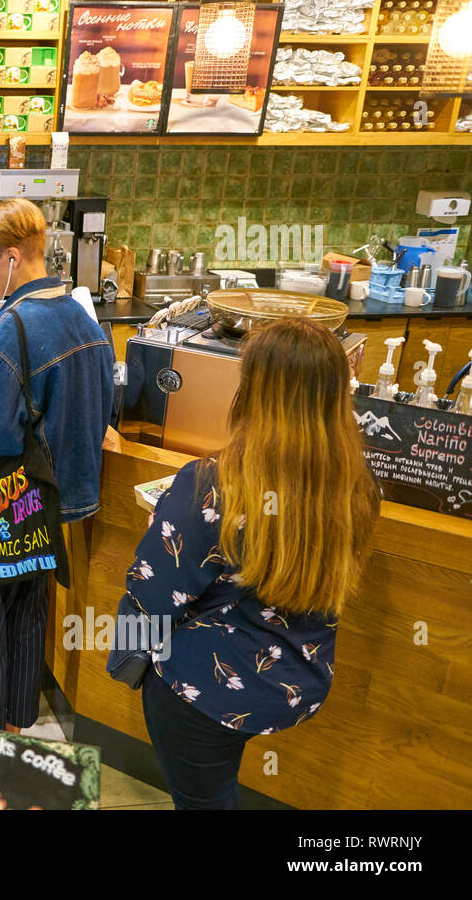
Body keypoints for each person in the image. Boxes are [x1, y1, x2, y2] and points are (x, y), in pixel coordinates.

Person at [116, 317, 380, 810]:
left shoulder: (213, 484)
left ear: (255, 391)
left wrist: (135, 665)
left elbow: (151, 593)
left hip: (207, 689)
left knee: (205, 801)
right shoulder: (358, 487)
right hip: (297, 684)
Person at [0, 198, 114, 733]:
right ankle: (17, 727)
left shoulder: (14, 325)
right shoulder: (81, 314)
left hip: (6, 504)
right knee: (30, 616)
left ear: (11, 257)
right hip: (58, 500)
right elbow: (101, 406)